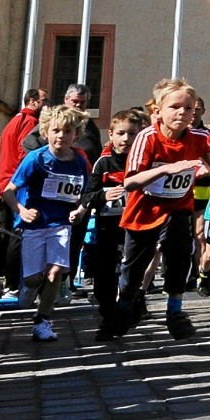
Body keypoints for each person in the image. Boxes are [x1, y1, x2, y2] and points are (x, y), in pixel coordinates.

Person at [113, 79, 210, 341]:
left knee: (180, 254)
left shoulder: (199, 138)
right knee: (134, 267)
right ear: (158, 111)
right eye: (175, 107)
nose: (183, 113)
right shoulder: (147, 138)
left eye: (189, 108)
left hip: (178, 207)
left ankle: (175, 312)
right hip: (144, 210)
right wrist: (166, 169)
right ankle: (124, 309)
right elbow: (129, 182)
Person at [2, 105, 90, 342]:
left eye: (67, 131)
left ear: (76, 134)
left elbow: (85, 194)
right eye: (56, 130)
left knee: (56, 272)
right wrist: (21, 211)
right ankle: (29, 286)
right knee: (34, 277)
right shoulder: (36, 158)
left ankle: (43, 321)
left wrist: (80, 211)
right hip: (35, 226)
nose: (61, 136)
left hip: (61, 225)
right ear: (46, 132)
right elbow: (9, 191)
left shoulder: (79, 161)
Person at [84, 108, 144, 340]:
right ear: (111, 134)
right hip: (107, 228)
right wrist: (103, 196)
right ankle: (108, 317)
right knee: (104, 277)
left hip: (135, 228)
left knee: (131, 273)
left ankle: (133, 305)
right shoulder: (103, 164)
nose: (126, 139)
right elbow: (87, 196)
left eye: (132, 134)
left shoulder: (142, 163)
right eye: (120, 133)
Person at [0, 89, 45, 298]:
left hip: (5, 184)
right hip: (19, 185)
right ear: (33, 101)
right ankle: (12, 284)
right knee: (18, 235)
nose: (47, 105)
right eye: (44, 101)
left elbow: (2, 159)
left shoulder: (12, 122)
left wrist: (1, 187)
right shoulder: (30, 122)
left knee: (4, 236)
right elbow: (23, 154)